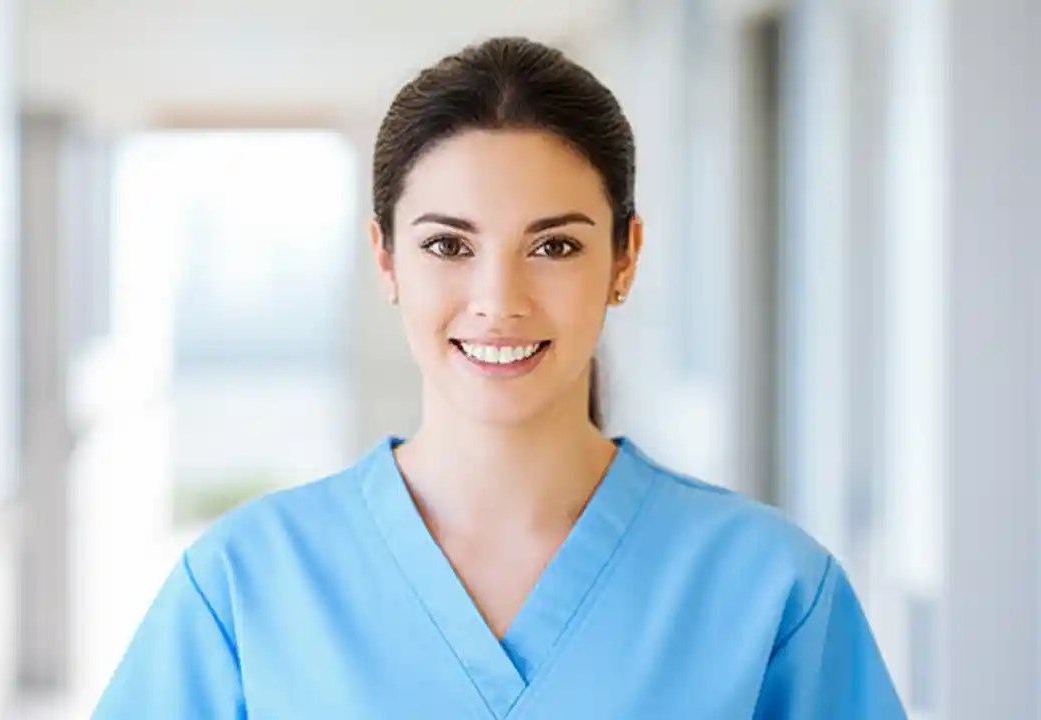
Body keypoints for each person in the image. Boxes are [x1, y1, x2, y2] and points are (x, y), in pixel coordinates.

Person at [93, 36, 906, 719]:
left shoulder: (772, 590)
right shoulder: (246, 584)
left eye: (554, 246)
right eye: (449, 245)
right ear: (386, 259)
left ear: (625, 259)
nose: (498, 301)